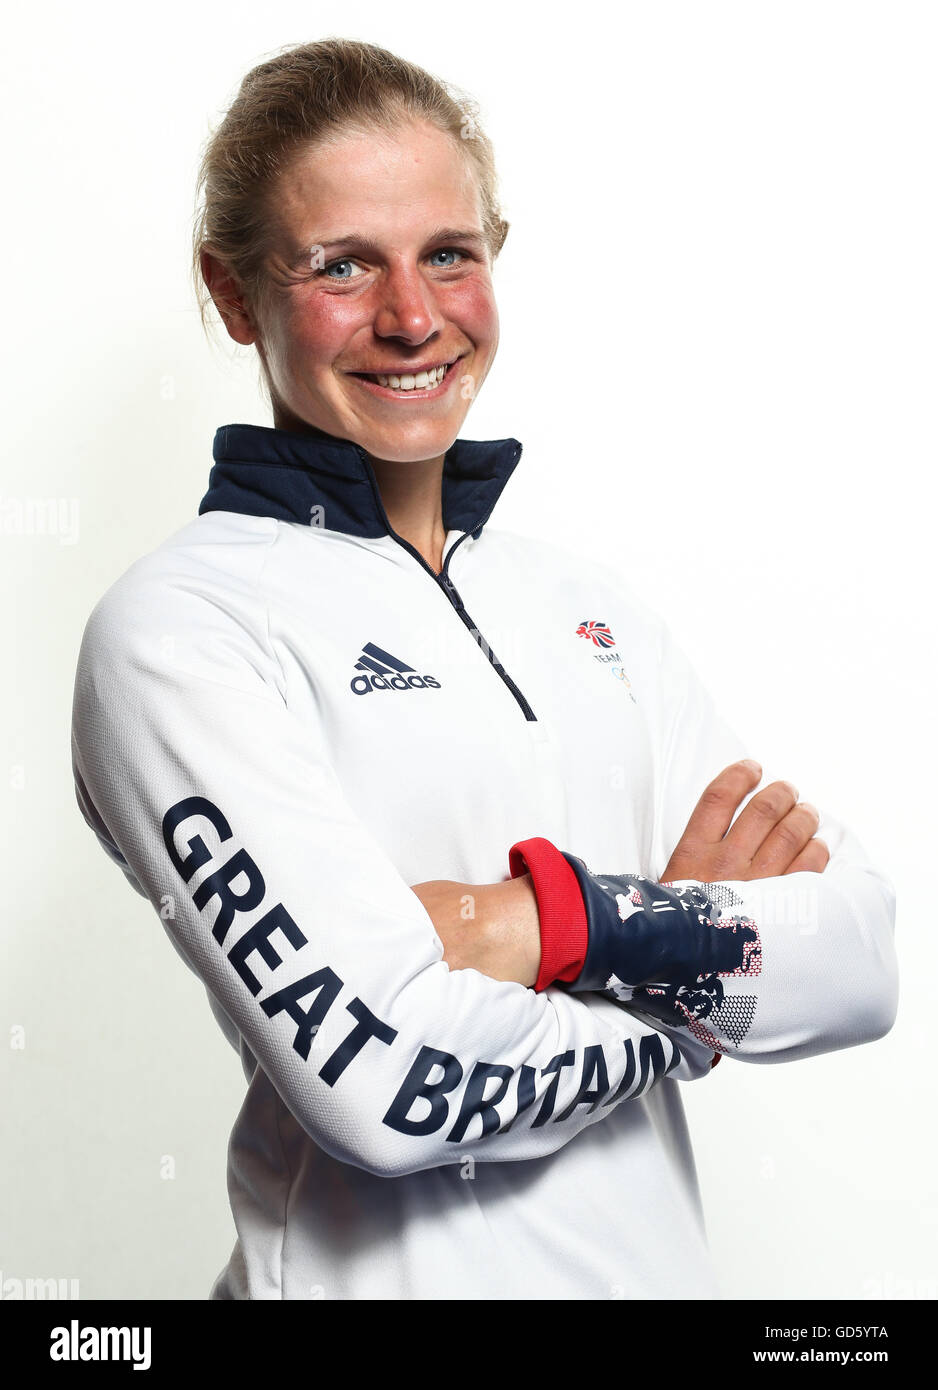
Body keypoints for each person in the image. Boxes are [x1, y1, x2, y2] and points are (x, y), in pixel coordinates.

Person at [70, 37, 898, 1300]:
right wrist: (688, 988)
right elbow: (391, 1082)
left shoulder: (584, 607)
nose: (412, 316)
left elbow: (851, 953)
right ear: (234, 295)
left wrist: (543, 922)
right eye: (340, 265)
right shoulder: (180, 632)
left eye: (446, 253)